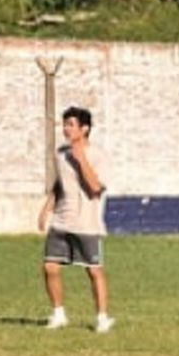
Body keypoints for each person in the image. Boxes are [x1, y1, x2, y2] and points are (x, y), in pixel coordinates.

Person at [38, 106, 114, 333]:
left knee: (94, 271)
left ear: (85, 128)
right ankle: (58, 314)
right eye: (65, 125)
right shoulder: (62, 154)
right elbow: (59, 185)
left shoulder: (98, 155)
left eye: (71, 125)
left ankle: (102, 318)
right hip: (62, 221)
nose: (66, 129)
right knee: (50, 266)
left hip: (86, 223)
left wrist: (81, 160)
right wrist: (46, 209)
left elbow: (96, 188)